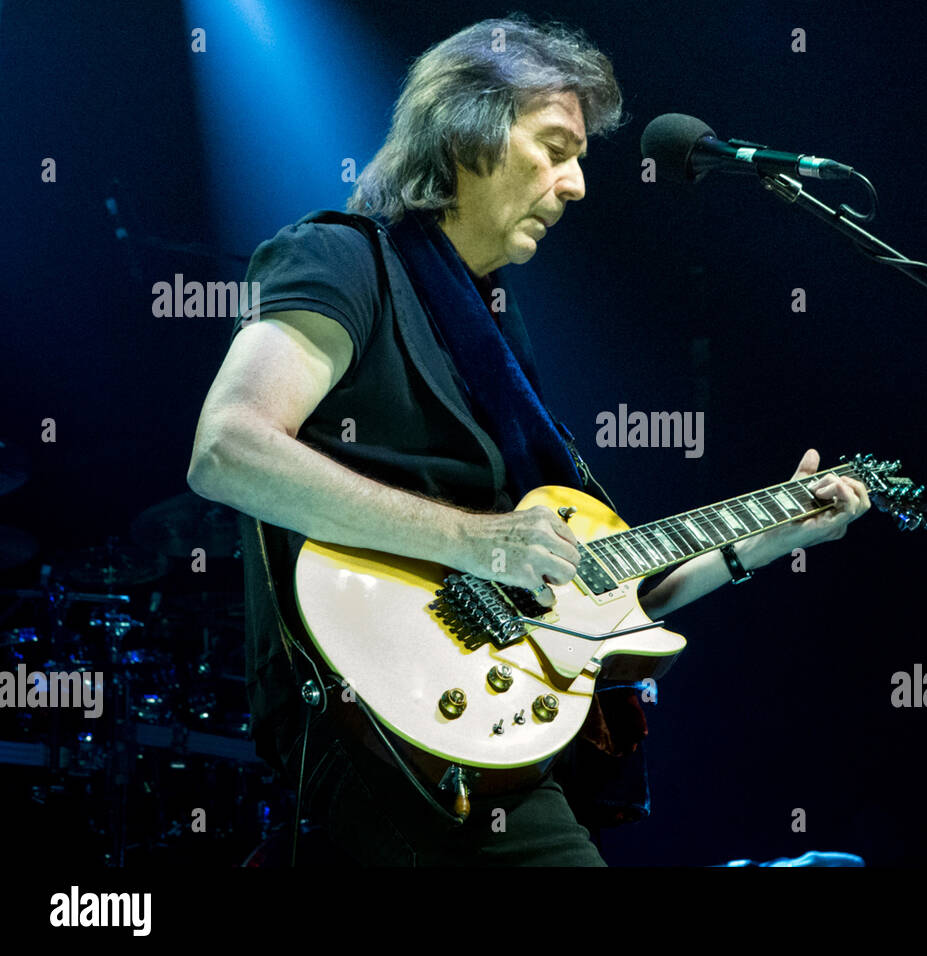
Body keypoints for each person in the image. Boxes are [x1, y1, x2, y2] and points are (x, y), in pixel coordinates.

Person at [187, 15, 872, 866]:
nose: (577, 184)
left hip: (496, 736)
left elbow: (584, 601)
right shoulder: (338, 258)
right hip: (367, 722)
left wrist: (761, 543)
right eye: (554, 147)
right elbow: (228, 449)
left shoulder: (494, 328)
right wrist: (479, 539)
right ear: (465, 128)